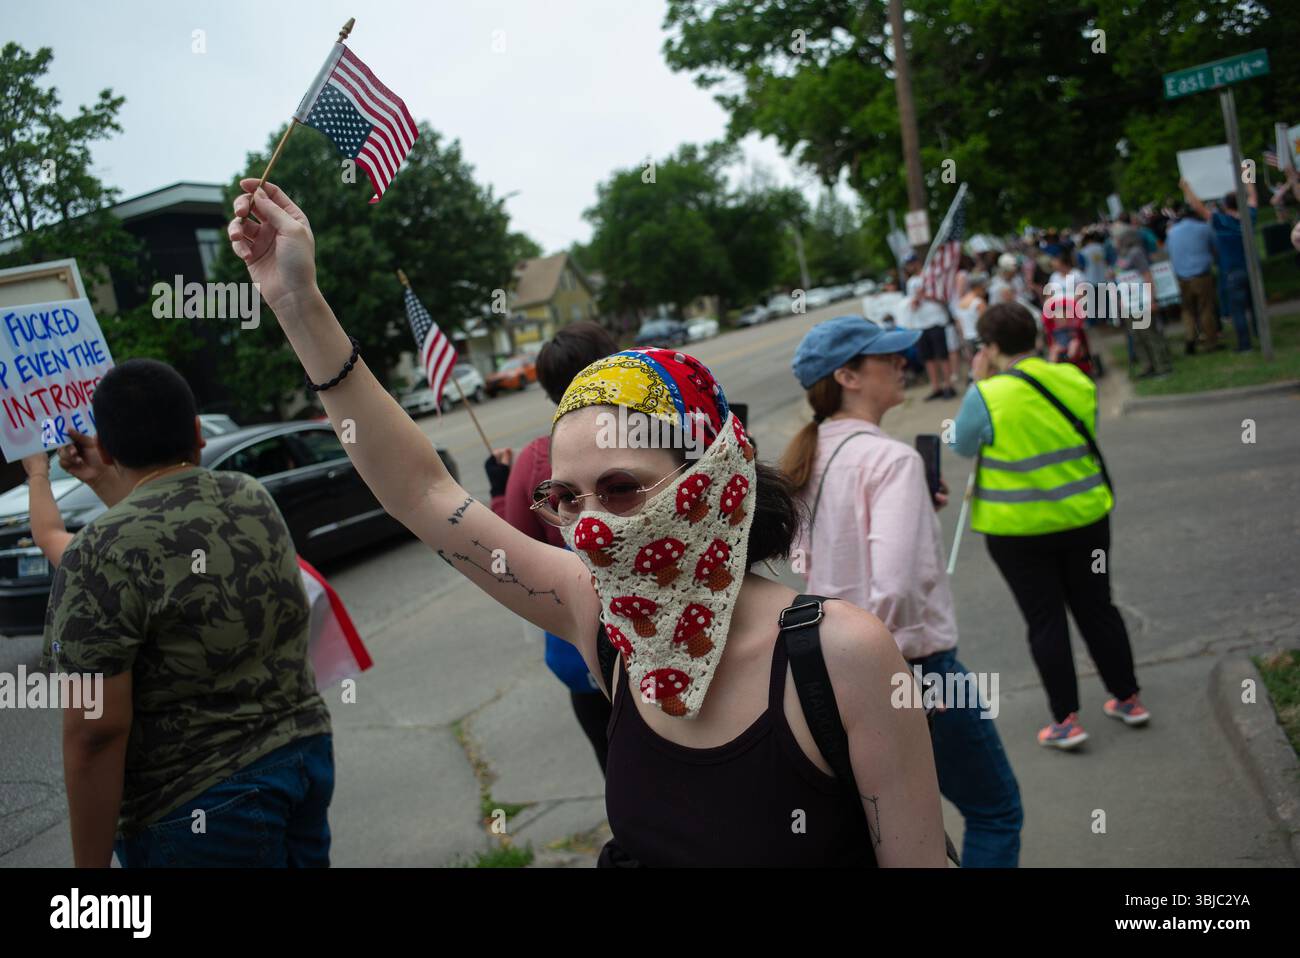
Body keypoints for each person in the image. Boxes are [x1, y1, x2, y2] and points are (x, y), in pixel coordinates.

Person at [227, 180, 947, 867]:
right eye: (566, 499)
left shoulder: (841, 657)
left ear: (713, 478)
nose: (591, 530)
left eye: (622, 488)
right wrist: (297, 301)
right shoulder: (609, 626)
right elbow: (420, 491)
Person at [40, 359, 333, 867]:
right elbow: (166, 526)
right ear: (198, 433)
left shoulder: (96, 553)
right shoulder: (250, 495)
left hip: (198, 805)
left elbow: (95, 730)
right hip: (302, 758)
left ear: (106, 449)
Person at [781, 316, 1023, 867]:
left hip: (829, 673)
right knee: (995, 812)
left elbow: (806, 561)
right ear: (847, 376)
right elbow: (893, 586)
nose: (902, 365)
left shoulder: (811, 454)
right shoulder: (892, 460)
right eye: (886, 358)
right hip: (914, 669)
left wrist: (914, 511)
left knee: (896, 833)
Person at [950, 304, 1148, 750]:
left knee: (1045, 619)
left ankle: (1066, 721)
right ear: (1035, 336)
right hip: (1086, 518)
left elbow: (961, 445)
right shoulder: (1075, 378)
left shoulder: (986, 395)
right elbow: (1083, 432)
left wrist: (977, 383)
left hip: (1017, 531)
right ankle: (1129, 698)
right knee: (1098, 607)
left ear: (992, 347)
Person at [486, 320, 620, 774]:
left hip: (585, 646)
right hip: (670, 631)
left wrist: (501, 489)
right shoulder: (656, 435)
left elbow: (515, 553)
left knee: (617, 763)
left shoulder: (538, 457)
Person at [1183, 179, 1258, 353]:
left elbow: (1198, 208)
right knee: (1255, 306)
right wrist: (1247, 173)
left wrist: (1187, 188)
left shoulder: (1221, 221)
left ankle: (1245, 345)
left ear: (1225, 205)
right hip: (1252, 269)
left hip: (1232, 271)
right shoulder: (1250, 217)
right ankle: (1260, 334)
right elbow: (1253, 196)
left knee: (1238, 310)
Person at [1113, 225, 1172, 379]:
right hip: (1129, 302)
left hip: (1141, 300)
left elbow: (1147, 275)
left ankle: (1162, 366)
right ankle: (1148, 365)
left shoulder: (1136, 253)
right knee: (1137, 336)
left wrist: (1151, 299)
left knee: (1149, 334)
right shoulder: (1121, 255)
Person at [1164, 195, 1221, 354]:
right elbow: (1215, 249)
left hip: (1181, 277)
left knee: (1187, 310)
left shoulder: (1172, 232)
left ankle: (1190, 338)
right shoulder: (1204, 228)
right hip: (1201, 275)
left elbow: (1168, 252)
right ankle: (1210, 340)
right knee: (1205, 308)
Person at [902, 255, 956, 400]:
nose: (910, 266)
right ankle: (936, 387)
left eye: (912, 263)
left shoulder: (933, 277)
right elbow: (911, 304)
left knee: (942, 355)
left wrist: (925, 295)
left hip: (936, 321)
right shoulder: (911, 282)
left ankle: (949, 385)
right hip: (921, 324)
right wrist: (915, 302)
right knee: (928, 358)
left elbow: (944, 297)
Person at [951, 272, 988, 386]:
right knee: (983, 366)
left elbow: (959, 324)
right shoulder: (979, 302)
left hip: (967, 337)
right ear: (978, 287)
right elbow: (986, 322)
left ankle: (973, 381)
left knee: (973, 363)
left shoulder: (961, 302)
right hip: (979, 337)